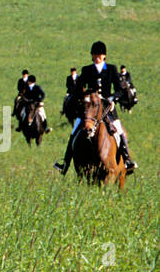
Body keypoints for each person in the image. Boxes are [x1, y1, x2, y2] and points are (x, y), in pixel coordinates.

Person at [56, 40, 136, 173]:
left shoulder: (111, 69)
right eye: (95, 55)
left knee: (118, 130)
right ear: (92, 56)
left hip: (107, 107)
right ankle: (65, 163)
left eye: (100, 55)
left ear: (104, 56)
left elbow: (119, 90)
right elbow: (78, 89)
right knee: (74, 130)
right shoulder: (87, 70)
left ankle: (127, 159)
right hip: (90, 110)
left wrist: (112, 99)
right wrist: (84, 96)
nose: (97, 57)